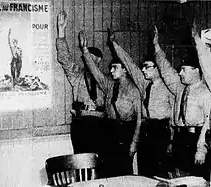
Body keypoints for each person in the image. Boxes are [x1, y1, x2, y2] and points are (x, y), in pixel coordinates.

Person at [107, 29, 174, 178]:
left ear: (158, 69)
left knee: (159, 173)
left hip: (161, 131)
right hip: (146, 129)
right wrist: (114, 44)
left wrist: (171, 141)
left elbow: (173, 117)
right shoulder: (144, 84)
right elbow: (128, 63)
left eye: (147, 66)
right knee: (145, 171)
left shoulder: (169, 87)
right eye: (143, 67)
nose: (143, 70)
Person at [80, 31, 142, 177]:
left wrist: (134, 142)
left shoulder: (134, 91)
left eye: (115, 68)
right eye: (111, 67)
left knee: (123, 170)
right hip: (109, 130)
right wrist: (84, 50)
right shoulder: (109, 85)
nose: (111, 70)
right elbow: (95, 71)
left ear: (125, 70)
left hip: (126, 132)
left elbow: (139, 120)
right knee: (106, 169)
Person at [153, 25, 211, 180]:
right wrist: (156, 47)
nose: (180, 73)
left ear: (196, 70)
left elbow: (208, 123)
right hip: (180, 139)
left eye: (184, 70)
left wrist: (201, 149)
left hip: (196, 139)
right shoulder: (180, 87)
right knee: (178, 178)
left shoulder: (206, 93)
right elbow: (165, 70)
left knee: (196, 179)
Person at [56, 11, 106, 155]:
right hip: (81, 125)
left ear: (98, 60)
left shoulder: (106, 80)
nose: (87, 61)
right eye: (86, 58)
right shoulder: (77, 75)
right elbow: (64, 58)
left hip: (100, 125)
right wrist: (61, 32)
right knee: (81, 163)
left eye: (91, 58)